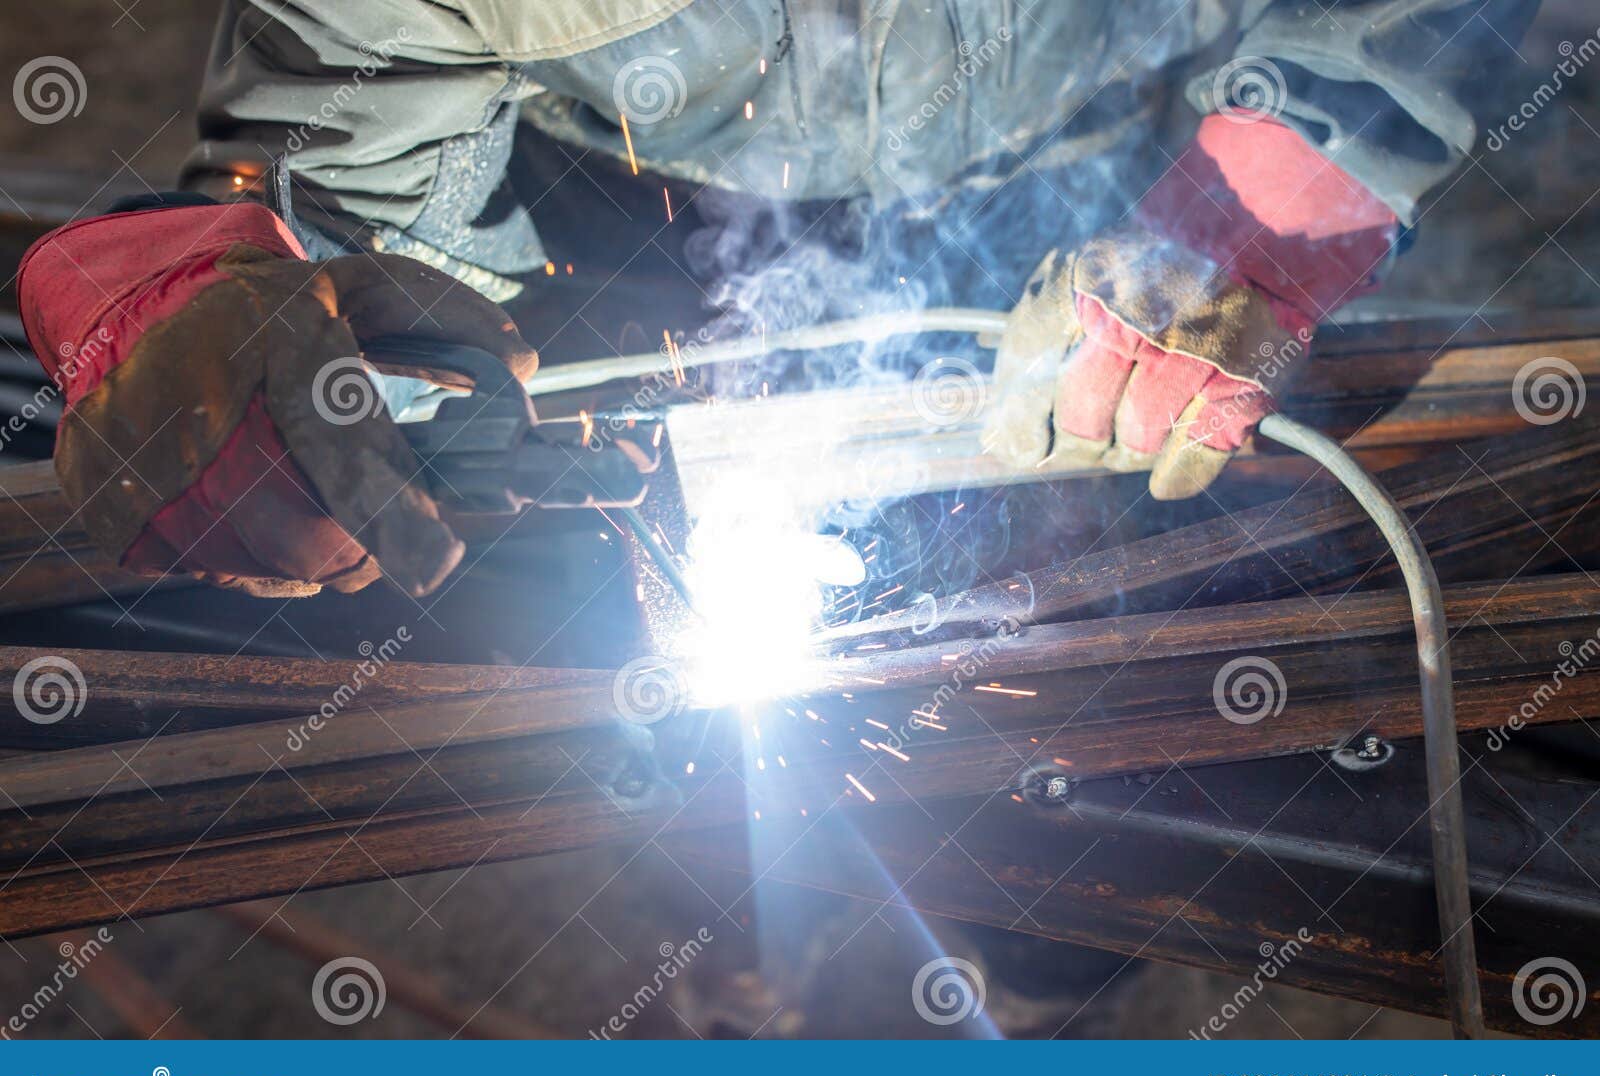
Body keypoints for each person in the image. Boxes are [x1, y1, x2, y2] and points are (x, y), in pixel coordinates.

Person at [17, 0, 1538, 597]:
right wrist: (248, 308)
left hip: (1103, 159)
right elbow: (337, 122)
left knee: (1084, 635)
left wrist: (1266, 197)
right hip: (613, 203)